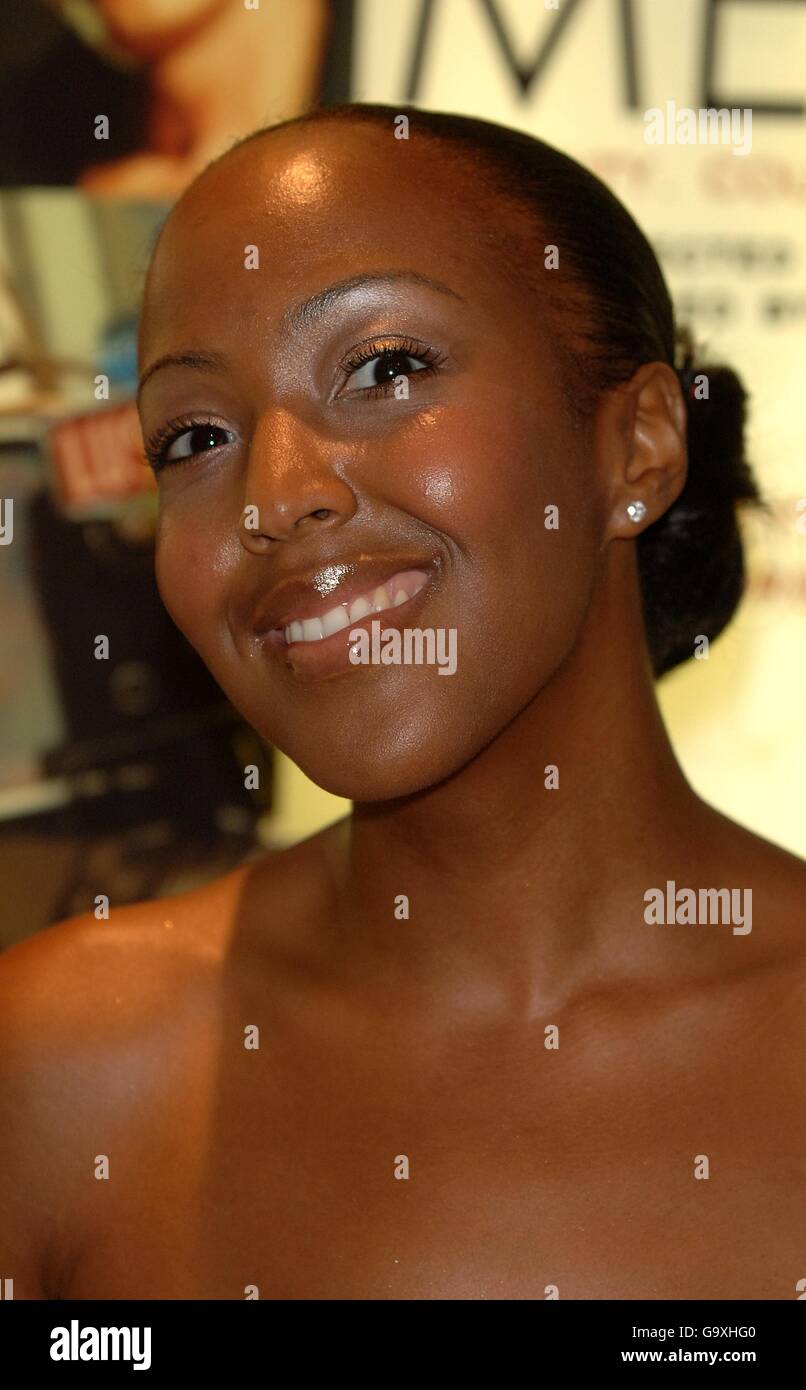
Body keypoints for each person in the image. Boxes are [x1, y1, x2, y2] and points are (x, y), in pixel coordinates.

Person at [1, 103, 804, 1302]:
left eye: (383, 369)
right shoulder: (64, 1061)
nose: (275, 494)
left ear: (635, 445)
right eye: (195, 437)